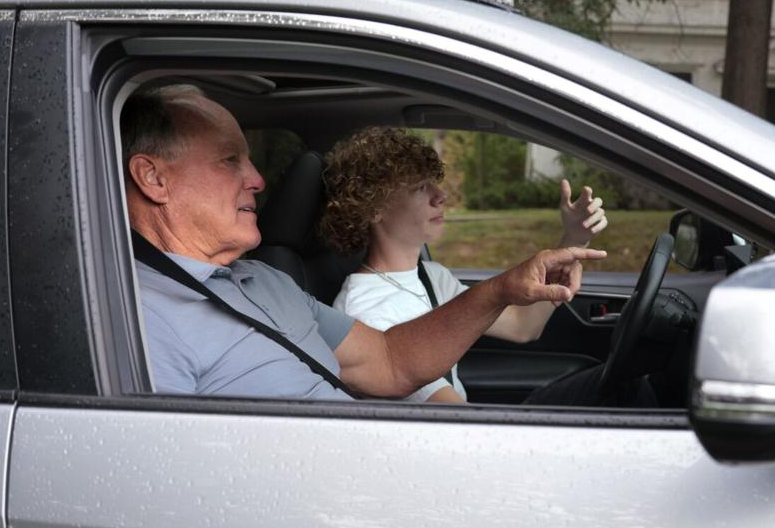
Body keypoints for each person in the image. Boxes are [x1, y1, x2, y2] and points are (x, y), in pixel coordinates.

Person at [123, 84, 604, 401]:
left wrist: (502, 288)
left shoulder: (265, 282)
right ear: (153, 178)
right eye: (230, 160)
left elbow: (391, 362)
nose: (258, 180)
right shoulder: (132, 318)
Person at [319, 127, 611, 405]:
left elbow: (524, 327)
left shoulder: (432, 275)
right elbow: (453, 418)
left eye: (434, 182)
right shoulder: (368, 311)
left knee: (614, 380)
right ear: (375, 208)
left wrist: (574, 239)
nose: (441, 195)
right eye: (421, 187)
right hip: (454, 441)